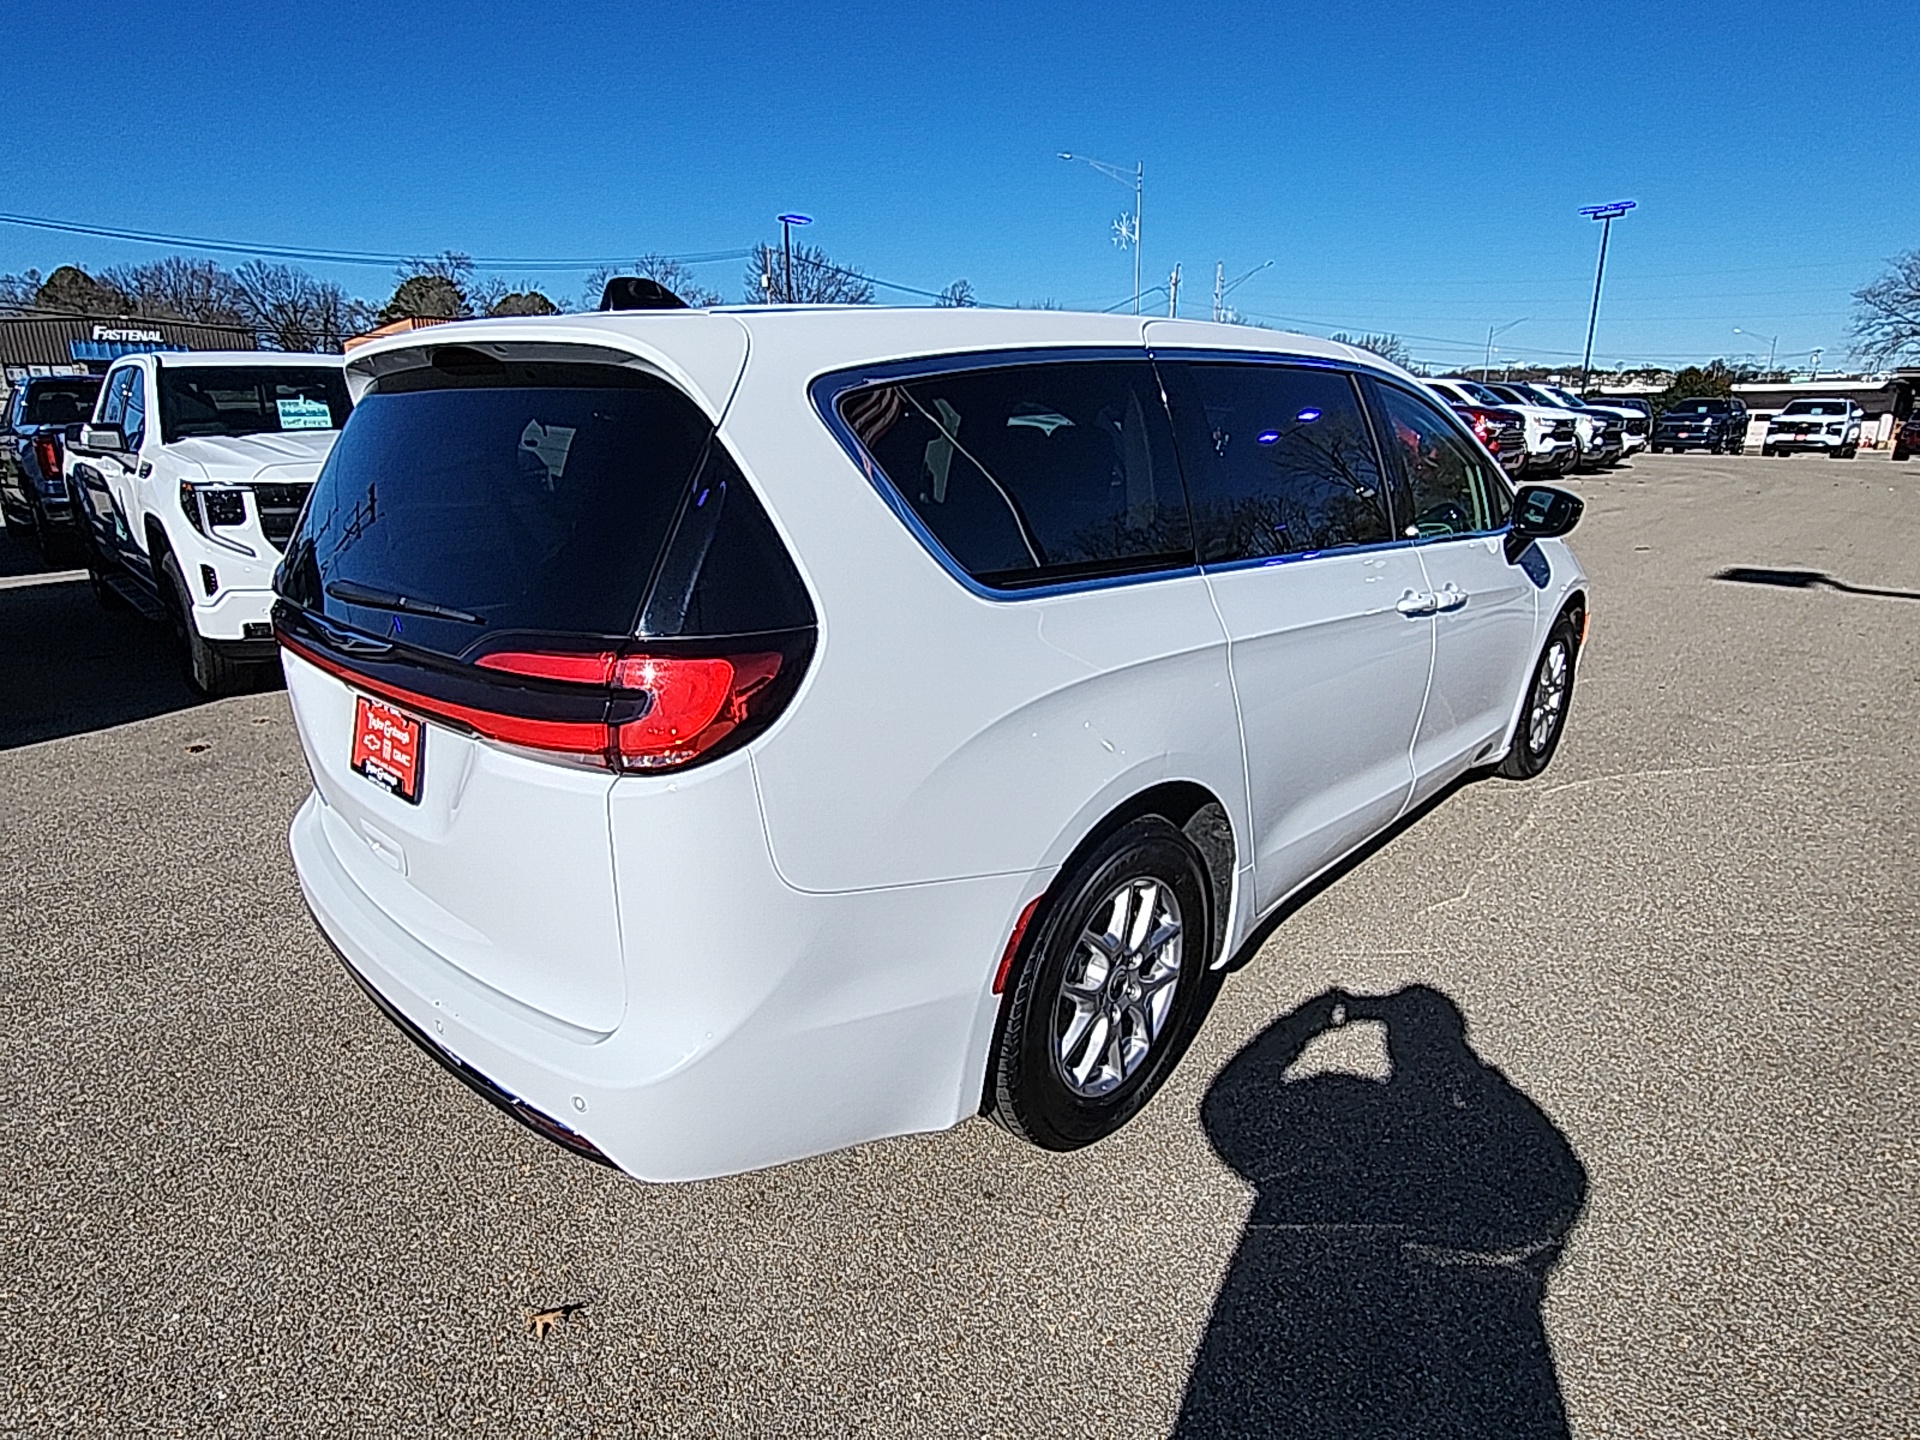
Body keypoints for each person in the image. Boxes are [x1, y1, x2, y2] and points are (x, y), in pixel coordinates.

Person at [1177, 986, 1588, 1439]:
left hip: (1298, 1358)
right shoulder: (1481, 1148)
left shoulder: (1339, 1118)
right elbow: (1559, 1183)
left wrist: (1314, 1019)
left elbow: (1228, 1106)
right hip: (1466, 1373)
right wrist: (1463, 1071)